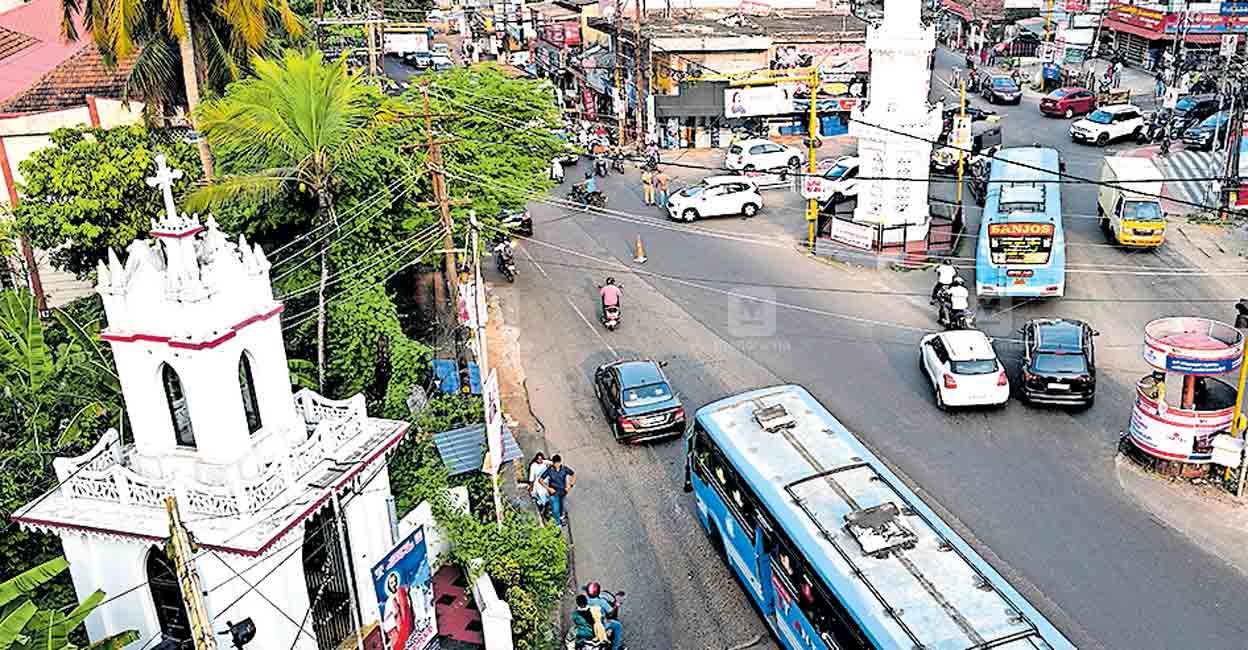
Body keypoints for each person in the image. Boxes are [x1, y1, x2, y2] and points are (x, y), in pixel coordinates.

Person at [538, 454, 575, 525]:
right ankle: (557, 524)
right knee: (555, 508)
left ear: (560, 462)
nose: (556, 465)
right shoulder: (550, 470)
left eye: (558, 463)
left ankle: (561, 517)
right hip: (553, 493)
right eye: (555, 463)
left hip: (563, 492)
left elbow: (573, 475)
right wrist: (549, 488)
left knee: (561, 505)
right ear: (553, 463)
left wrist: (570, 486)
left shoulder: (564, 469)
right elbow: (540, 480)